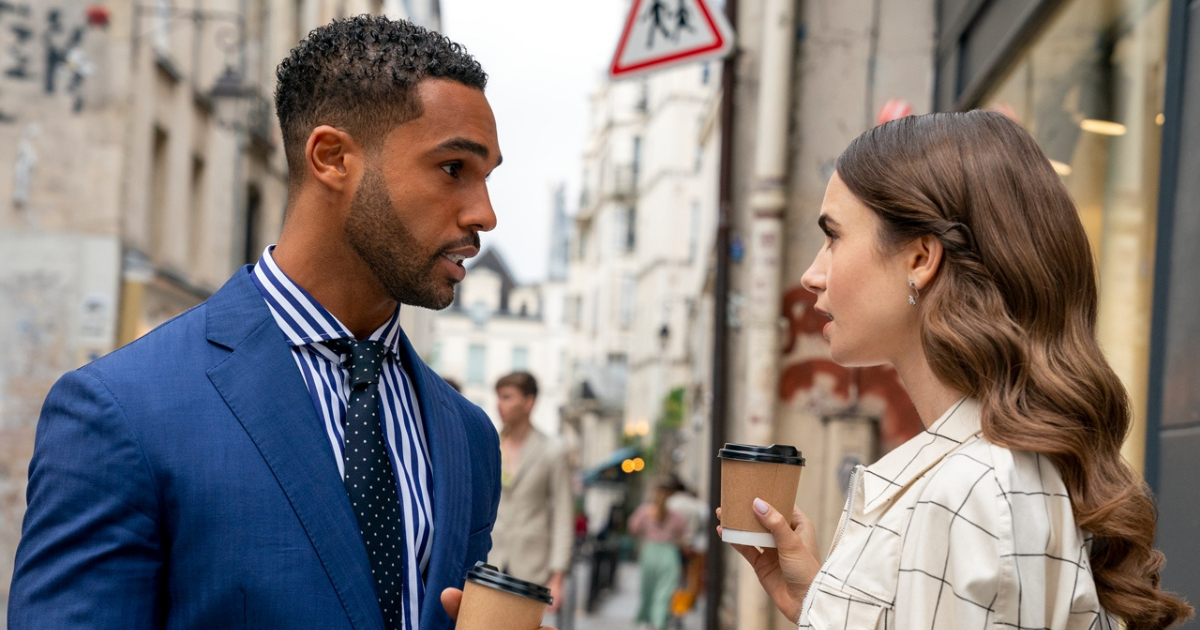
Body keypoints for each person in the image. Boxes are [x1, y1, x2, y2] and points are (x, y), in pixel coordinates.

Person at [9, 16, 505, 630]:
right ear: (331, 158)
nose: (484, 214)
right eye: (455, 168)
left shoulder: (470, 437)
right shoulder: (122, 411)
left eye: (489, 179)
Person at [722, 110, 1193, 629]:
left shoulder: (978, 488)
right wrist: (820, 600)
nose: (813, 274)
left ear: (921, 258)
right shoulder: (982, 478)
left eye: (833, 236)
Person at [487, 372, 574, 615]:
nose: (499, 404)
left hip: (532, 567)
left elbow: (563, 515)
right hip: (488, 562)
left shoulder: (553, 450)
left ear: (529, 402)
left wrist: (557, 578)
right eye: (498, 397)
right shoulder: (489, 444)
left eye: (507, 397)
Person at [629, 478, 688, 630]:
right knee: (664, 592)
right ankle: (658, 623)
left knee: (648, 590)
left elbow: (633, 528)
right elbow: (682, 534)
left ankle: (649, 620)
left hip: (650, 552)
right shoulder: (675, 515)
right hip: (669, 553)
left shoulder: (645, 512)